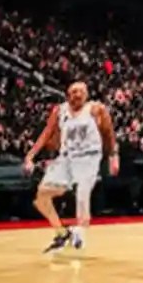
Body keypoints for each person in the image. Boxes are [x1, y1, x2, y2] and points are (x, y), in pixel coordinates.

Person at [23, 81, 119, 252]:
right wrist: (30, 156)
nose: (77, 95)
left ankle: (80, 232)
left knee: (82, 194)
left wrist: (113, 156)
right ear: (68, 95)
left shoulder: (96, 109)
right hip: (67, 158)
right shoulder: (60, 111)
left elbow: (109, 133)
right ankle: (61, 233)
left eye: (81, 91)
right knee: (41, 196)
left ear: (87, 94)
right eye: (74, 91)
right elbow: (46, 134)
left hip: (89, 157)